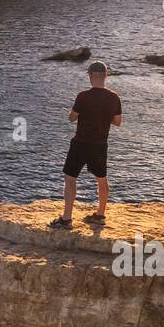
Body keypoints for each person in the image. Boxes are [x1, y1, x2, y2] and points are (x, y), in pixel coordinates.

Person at [49, 60, 122, 229]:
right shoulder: (114, 97)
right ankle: (100, 215)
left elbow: (72, 117)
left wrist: (77, 111)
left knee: (70, 178)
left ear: (90, 76)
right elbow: (117, 122)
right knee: (101, 179)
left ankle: (66, 218)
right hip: (100, 144)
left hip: (81, 143)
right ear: (106, 75)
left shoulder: (83, 96)